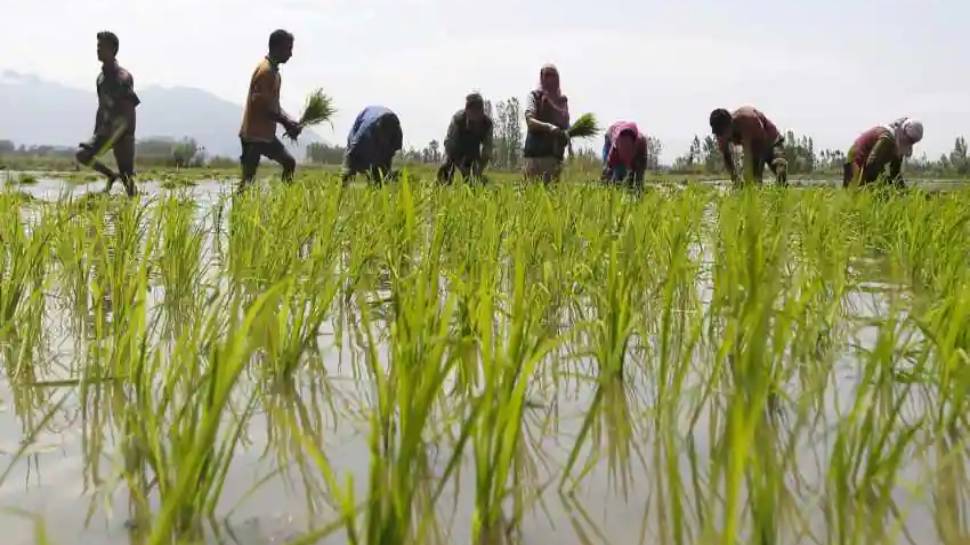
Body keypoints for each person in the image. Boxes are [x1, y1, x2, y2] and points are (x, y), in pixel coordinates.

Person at [75, 31, 140, 197]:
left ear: (112, 49)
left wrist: (127, 136)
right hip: (105, 131)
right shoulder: (100, 79)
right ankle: (111, 175)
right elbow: (101, 107)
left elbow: (130, 108)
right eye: (97, 46)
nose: (97, 50)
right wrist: (97, 131)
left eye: (101, 47)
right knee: (82, 154)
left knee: (128, 181)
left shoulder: (123, 77)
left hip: (122, 134)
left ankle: (132, 209)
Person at [238, 29, 302, 192]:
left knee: (289, 163)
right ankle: (237, 212)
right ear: (277, 48)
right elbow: (263, 108)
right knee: (247, 180)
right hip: (253, 136)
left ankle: (284, 201)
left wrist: (290, 120)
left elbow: (274, 105)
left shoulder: (274, 73)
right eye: (288, 49)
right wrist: (286, 123)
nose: (291, 54)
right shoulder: (265, 72)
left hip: (266, 136)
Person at [709, 106, 788, 186]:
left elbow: (759, 145)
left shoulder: (748, 120)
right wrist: (735, 179)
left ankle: (781, 188)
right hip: (753, 145)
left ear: (730, 123)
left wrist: (753, 172)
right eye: (719, 134)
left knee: (780, 171)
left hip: (772, 140)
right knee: (752, 182)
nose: (723, 137)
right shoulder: (720, 135)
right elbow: (727, 156)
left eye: (723, 133)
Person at [843, 118, 923, 188]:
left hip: (871, 165)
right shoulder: (887, 139)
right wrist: (884, 184)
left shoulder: (899, 145)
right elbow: (871, 165)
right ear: (904, 133)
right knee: (851, 194)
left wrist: (903, 192)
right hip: (857, 157)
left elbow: (895, 173)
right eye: (909, 140)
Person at [524, 64, 570, 183]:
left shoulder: (562, 101)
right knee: (532, 194)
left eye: (553, 76)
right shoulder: (534, 96)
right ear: (542, 78)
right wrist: (548, 127)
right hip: (535, 157)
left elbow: (566, 124)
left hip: (554, 157)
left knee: (551, 197)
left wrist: (566, 138)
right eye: (547, 76)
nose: (550, 79)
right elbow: (530, 121)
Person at [438, 93, 494, 184]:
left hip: (473, 150)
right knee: (445, 167)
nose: (475, 121)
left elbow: (487, 151)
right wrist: (459, 164)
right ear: (467, 110)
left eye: (478, 112)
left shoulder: (487, 124)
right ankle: (442, 187)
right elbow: (449, 145)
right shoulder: (457, 120)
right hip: (456, 148)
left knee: (472, 181)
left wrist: (478, 172)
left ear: (482, 111)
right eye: (472, 113)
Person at [342, 106, 403, 184]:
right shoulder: (364, 132)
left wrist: (387, 172)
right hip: (363, 120)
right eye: (383, 135)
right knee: (350, 169)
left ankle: (376, 188)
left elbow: (392, 155)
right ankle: (342, 191)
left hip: (378, 124)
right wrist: (348, 174)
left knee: (380, 176)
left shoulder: (397, 133)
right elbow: (351, 154)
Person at [602, 121, 648, 187]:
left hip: (637, 149)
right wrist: (607, 175)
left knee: (638, 174)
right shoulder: (615, 143)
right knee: (618, 171)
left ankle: (635, 189)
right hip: (611, 135)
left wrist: (637, 173)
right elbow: (609, 163)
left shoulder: (641, 141)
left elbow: (642, 162)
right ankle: (613, 186)